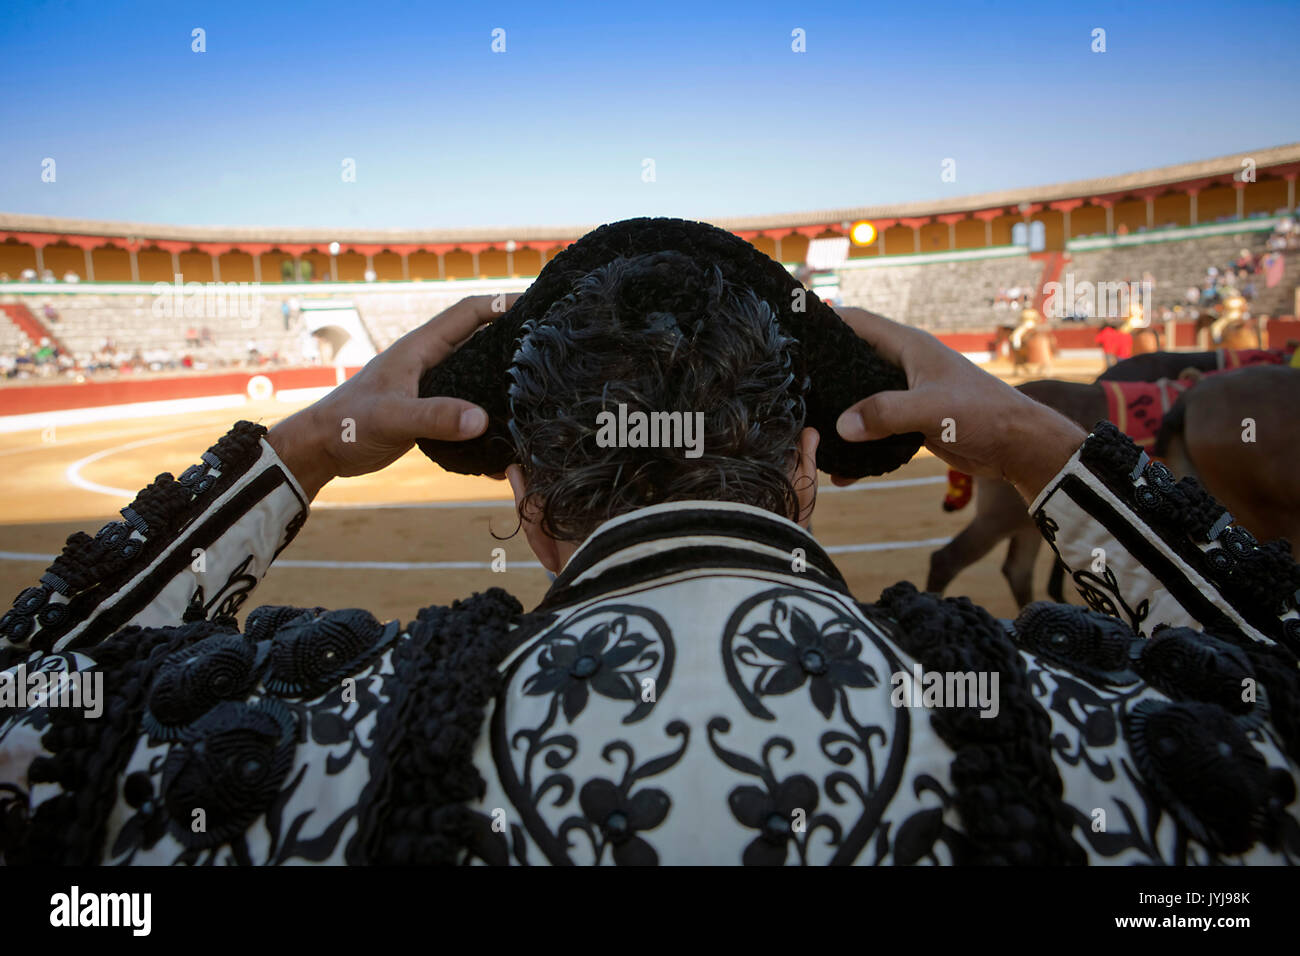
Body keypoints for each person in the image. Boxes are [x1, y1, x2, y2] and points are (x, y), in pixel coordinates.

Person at [1, 254, 1297, 866]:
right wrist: (1039, 442)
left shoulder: (304, 736)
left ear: (526, 497)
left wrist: (300, 453)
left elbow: (24, 702)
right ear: (803, 466)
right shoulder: (1111, 732)